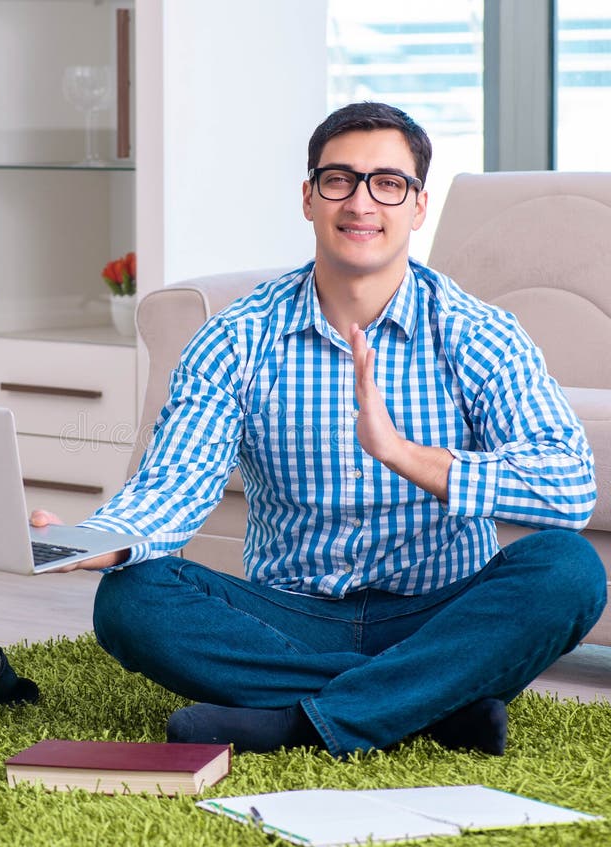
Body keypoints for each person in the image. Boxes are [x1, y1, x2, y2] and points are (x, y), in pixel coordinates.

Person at [31, 101, 607, 759]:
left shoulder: (477, 333)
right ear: (309, 197)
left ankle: (300, 722)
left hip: (439, 615)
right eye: (339, 180)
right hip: (291, 619)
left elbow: (570, 487)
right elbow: (173, 486)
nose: (362, 201)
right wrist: (88, 541)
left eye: (388, 183)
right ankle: (430, 704)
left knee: (569, 569)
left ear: (418, 207)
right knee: (130, 599)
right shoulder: (237, 337)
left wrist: (405, 455)